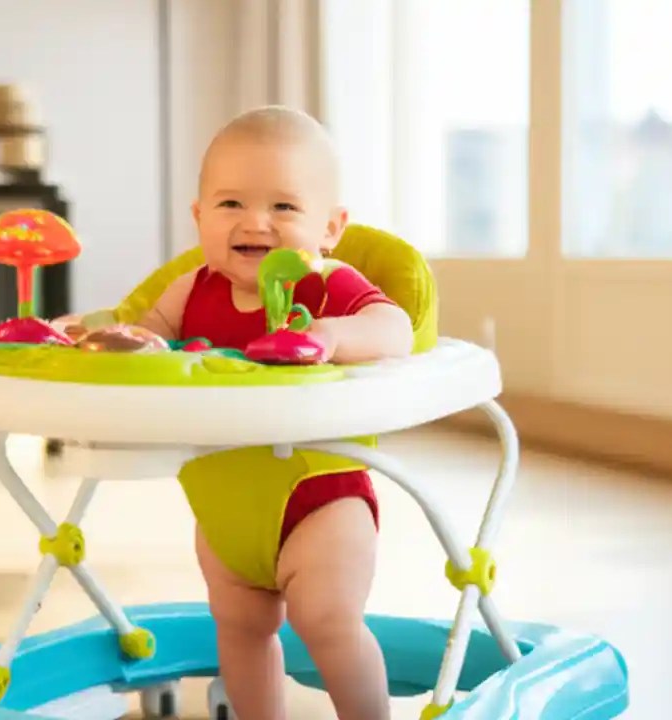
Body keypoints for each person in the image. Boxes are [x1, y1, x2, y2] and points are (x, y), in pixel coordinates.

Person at [133, 105, 414, 720]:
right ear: (199, 216)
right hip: (225, 500)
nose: (255, 221)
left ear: (331, 227)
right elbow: (144, 333)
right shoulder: (191, 290)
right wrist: (123, 339)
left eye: (284, 207)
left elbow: (396, 328)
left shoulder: (325, 286)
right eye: (231, 204)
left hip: (319, 496)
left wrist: (335, 336)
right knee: (239, 626)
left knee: (327, 621)